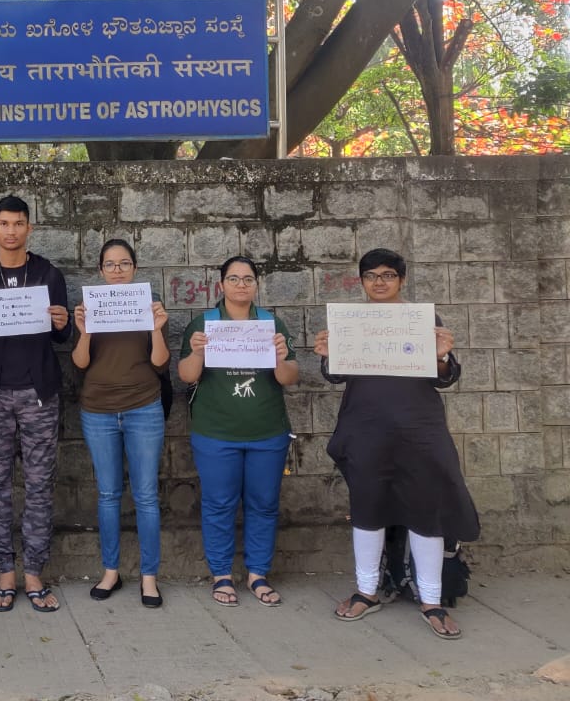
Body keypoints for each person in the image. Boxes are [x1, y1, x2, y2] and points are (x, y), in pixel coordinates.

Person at [317, 248, 478, 640]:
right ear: (362, 282)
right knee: (367, 508)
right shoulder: (351, 322)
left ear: (401, 280)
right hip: (366, 428)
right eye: (371, 276)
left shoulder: (422, 320)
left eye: (388, 275)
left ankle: (432, 601)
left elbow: (445, 376)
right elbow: (335, 374)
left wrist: (441, 357)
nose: (380, 282)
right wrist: (327, 353)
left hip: (418, 430)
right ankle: (366, 591)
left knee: (427, 510)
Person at [0, 195, 71, 613]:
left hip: (38, 393)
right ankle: (5, 572)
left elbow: (61, 337)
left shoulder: (47, 273)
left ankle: (34, 572)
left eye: (18, 223)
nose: (11, 231)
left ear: (29, 228)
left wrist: (62, 323)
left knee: (41, 484)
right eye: (4, 223)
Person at [178, 255, 299, 608]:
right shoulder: (205, 323)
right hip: (216, 432)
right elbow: (186, 375)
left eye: (248, 279)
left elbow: (289, 377)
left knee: (263, 505)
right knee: (219, 504)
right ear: (221, 285)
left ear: (256, 285)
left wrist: (280, 356)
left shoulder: (270, 323)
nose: (241, 284)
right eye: (233, 278)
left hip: (267, 431)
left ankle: (258, 573)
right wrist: (198, 352)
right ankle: (221, 575)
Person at [71, 239, 170, 607]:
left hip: (144, 407)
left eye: (124, 263)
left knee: (145, 495)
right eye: (110, 265)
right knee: (108, 494)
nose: (117, 270)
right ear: (100, 270)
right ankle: (110, 570)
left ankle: (149, 577)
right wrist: (85, 330)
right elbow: (79, 364)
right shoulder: (90, 308)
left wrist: (157, 327)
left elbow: (161, 364)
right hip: (98, 410)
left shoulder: (148, 305)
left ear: (134, 268)